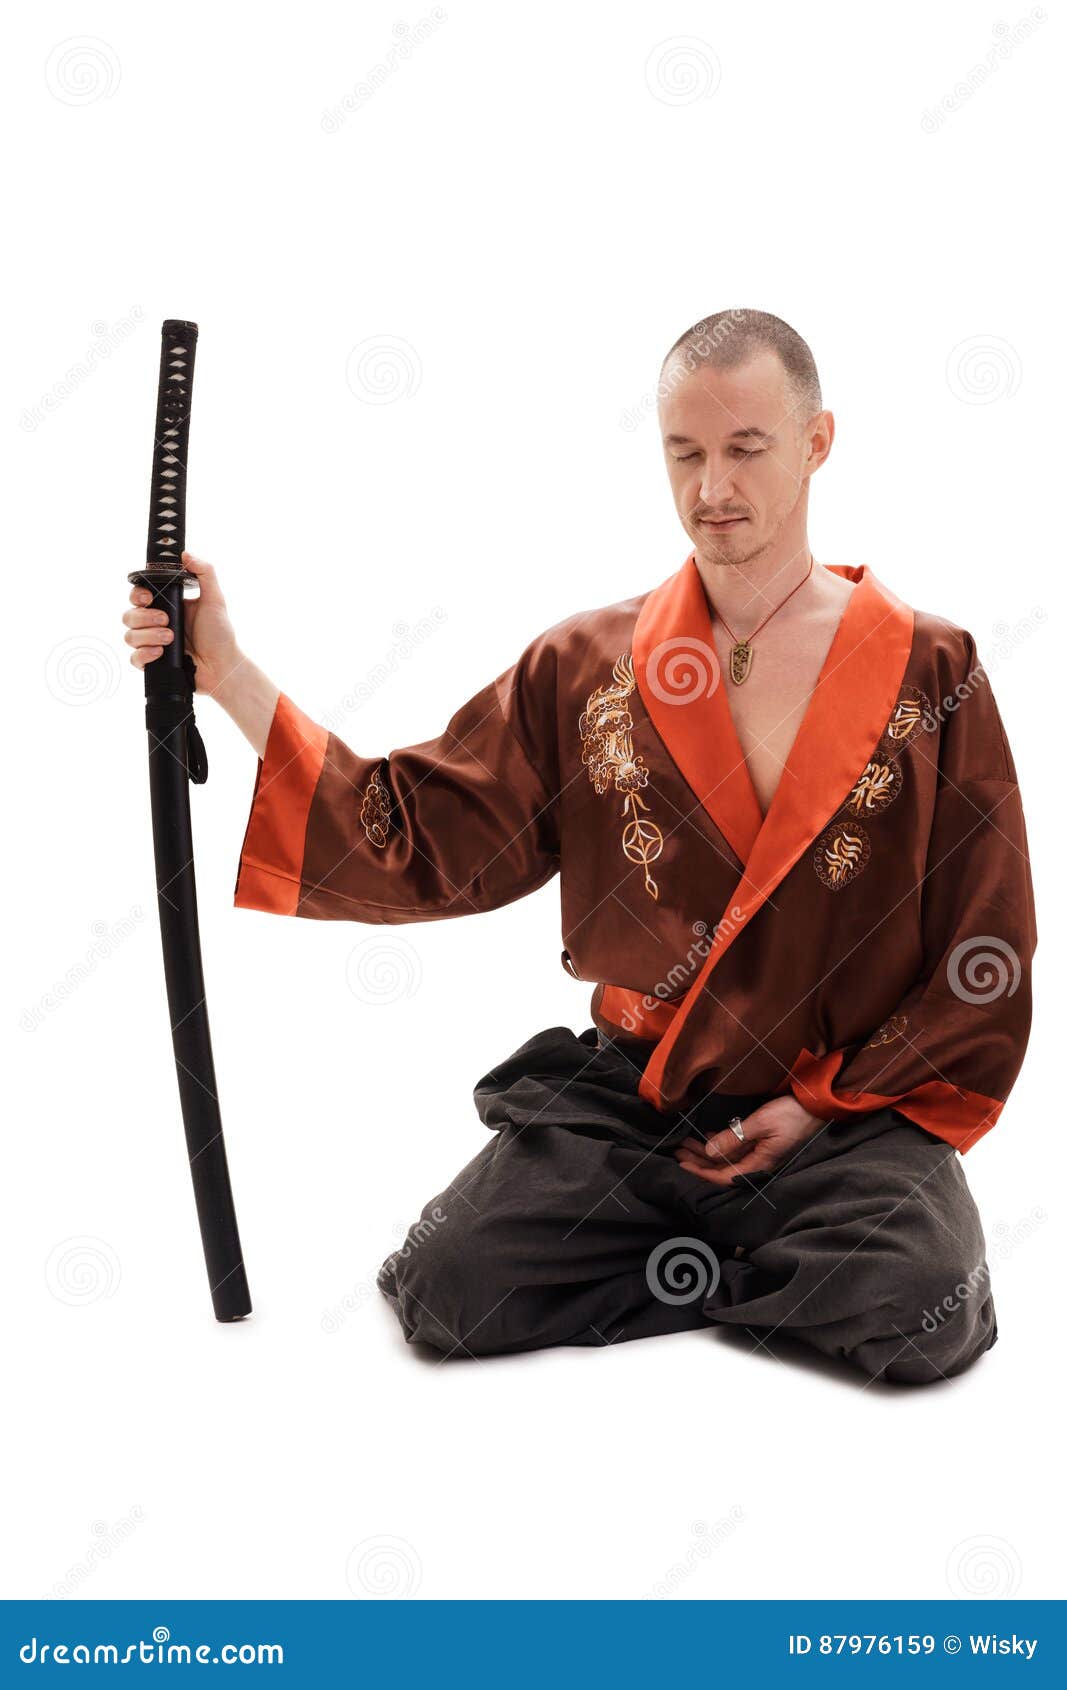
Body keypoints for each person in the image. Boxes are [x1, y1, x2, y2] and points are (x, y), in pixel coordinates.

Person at [122, 309, 1036, 1384]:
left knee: (919, 1305)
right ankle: (753, 1263)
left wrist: (819, 1102)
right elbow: (418, 829)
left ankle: (733, 1250)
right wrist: (224, 671)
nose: (712, 488)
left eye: (745, 449)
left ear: (816, 441)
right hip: (639, 1103)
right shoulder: (586, 662)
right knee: (445, 1286)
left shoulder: (930, 665)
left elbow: (989, 936)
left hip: (838, 1108)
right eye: (684, 453)